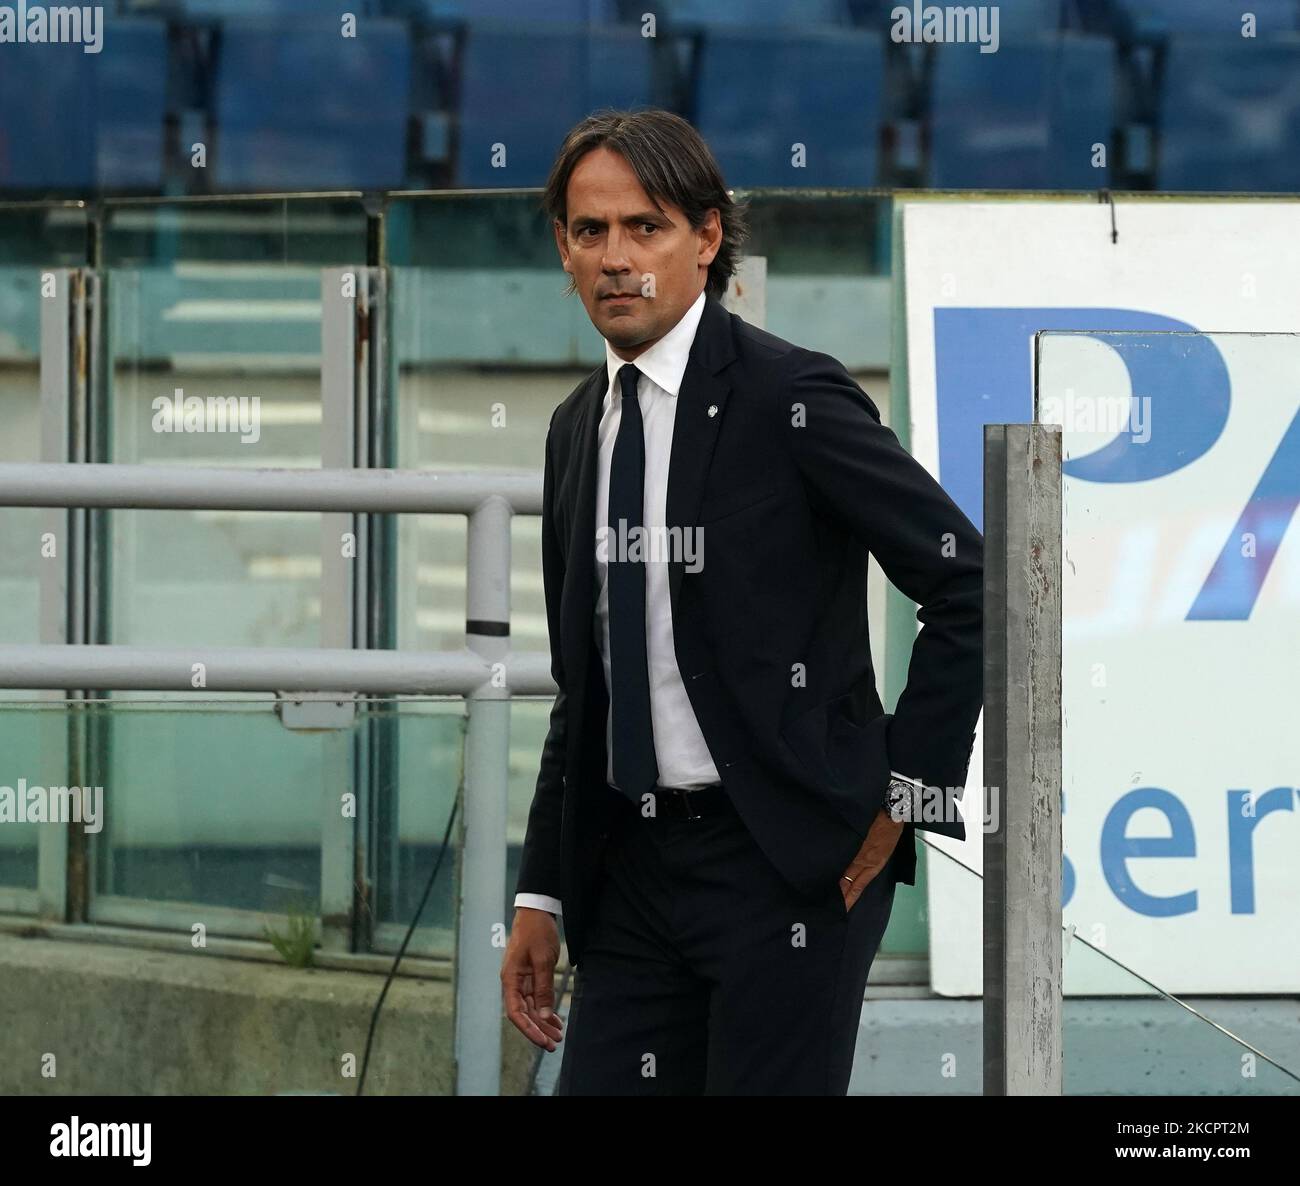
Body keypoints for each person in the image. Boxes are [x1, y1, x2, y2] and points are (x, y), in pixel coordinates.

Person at [500, 108, 982, 1095]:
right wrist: (540, 890)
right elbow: (577, 686)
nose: (616, 258)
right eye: (590, 232)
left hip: (790, 871)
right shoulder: (574, 429)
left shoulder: (792, 397)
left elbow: (968, 581)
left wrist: (905, 800)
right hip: (628, 875)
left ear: (708, 237)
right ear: (561, 248)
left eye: (647, 227)